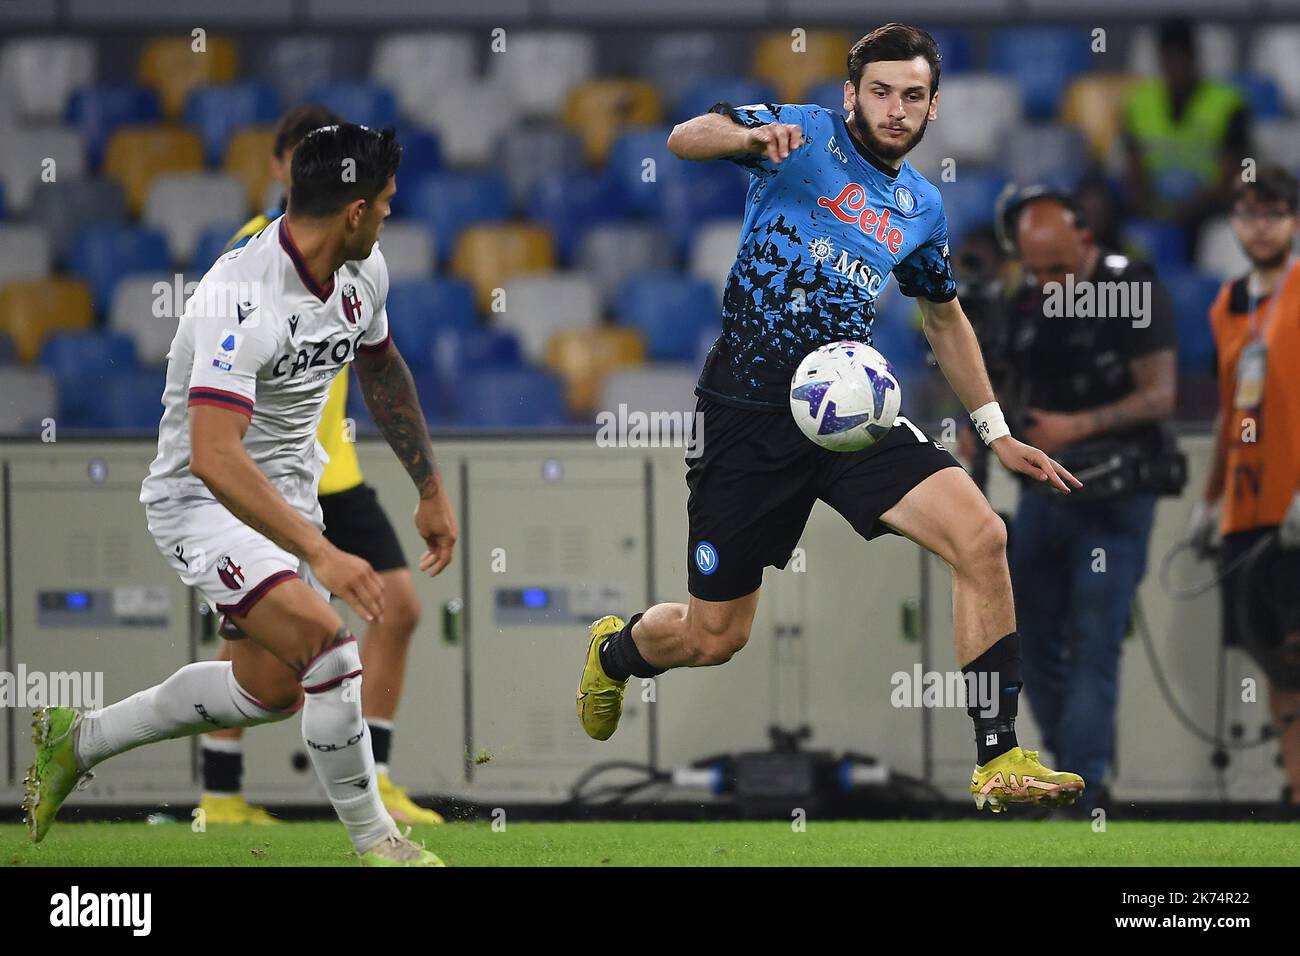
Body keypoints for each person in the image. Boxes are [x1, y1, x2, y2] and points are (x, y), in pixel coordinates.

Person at [576, 22, 1085, 812]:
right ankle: (616, 652)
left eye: (912, 96)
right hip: (747, 415)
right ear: (850, 93)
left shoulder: (920, 206)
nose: (894, 108)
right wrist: (750, 132)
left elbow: (944, 318)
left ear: (933, 107)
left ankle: (999, 758)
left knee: (983, 536)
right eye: (879, 91)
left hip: (851, 409)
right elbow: (684, 136)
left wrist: (996, 430)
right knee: (717, 638)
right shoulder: (803, 133)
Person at [23, 124, 458, 865]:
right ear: (353, 210)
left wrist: (429, 487)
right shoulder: (239, 295)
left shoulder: (366, 270)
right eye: (384, 203)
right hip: (205, 502)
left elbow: (382, 370)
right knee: (329, 649)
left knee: (270, 691)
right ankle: (377, 843)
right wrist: (324, 554)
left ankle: (81, 740)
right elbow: (214, 456)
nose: (390, 215)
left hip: (288, 493)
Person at [202, 104, 442, 827]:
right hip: (266, 479)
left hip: (334, 468)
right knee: (264, 666)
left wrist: (427, 485)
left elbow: (379, 361)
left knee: (397, 607)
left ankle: (377, 780)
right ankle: (220, 794)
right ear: (282, 167)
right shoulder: (252, 261)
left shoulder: (355, 257)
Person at [996, 189, 1179, 813]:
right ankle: (1072, 774)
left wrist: (1074, 428)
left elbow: (1160, 395)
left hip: (1115, 494)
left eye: (1059, 270)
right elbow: (1005, 376)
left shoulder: (1133, 288)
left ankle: (1085, 784)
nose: (1047, 283)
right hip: (1045, 493)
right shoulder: (1022, 299)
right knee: (1031, 640)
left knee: (1095, 641)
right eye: (1035, 270)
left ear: (1086, 242)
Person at [1190, 165, 1300, 806]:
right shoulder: (1228, 304)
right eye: (1250, 215)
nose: (1261, 227)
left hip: (1293, 502)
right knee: (1275, 657)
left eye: (1275, 213)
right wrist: (1210, 499)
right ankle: (1295, 788)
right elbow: (1232, 409)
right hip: (1248, 508)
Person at [1122, 17, 1249, 251]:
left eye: (1181, 55)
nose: (1175, 64)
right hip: (1154, 204)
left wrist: (1180, 212)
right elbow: (1133, 170)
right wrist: (1151, 209)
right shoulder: (1140, 102)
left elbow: (1230, 175)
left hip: (1206, 208)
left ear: (1193, 57)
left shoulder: (1228, 104)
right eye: (1168, 56)